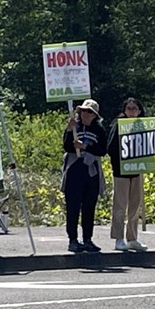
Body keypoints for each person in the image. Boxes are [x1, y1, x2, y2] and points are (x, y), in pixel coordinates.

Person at [61, 99, 107, 252]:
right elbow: (67, 147)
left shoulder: (99, 130)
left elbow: (102, 150)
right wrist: (68, 131)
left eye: (89, 112)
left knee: (89, 207)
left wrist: (86, 146)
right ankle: (72, 239)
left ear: (95, 115)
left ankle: (87, 238)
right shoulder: (74, 126)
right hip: (75, 169)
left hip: (91, 171)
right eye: (83, 111)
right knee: (73, 206)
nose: (85, 114)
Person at [107, 97, 147, 251]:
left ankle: (132, 238)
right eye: (129, 108)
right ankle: (118, 238)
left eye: (135, 109)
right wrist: (122, 162)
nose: (132, 111)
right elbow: (110, 148)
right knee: (120, 205)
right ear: (124, 110)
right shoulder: (118, 125)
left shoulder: (142, 126)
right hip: (121, 172)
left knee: (135, 206)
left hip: (137, 170)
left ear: (139, 111)